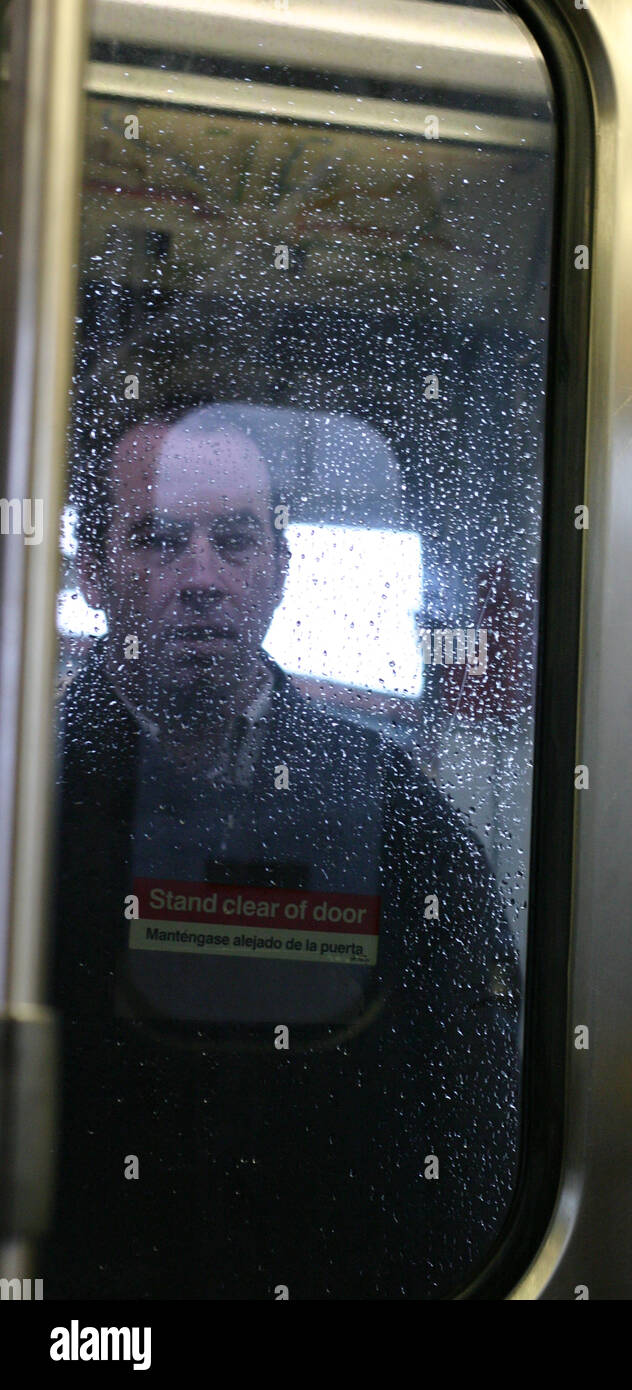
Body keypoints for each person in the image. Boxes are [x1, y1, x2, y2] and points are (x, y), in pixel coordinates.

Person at [44, 402, 520, 1300]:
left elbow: (468, 1110)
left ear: (281, 568)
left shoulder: (393, 814)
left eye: (234, 540)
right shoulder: (19, 799)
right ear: (95, 572)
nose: (202, 579)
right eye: (156, 538)